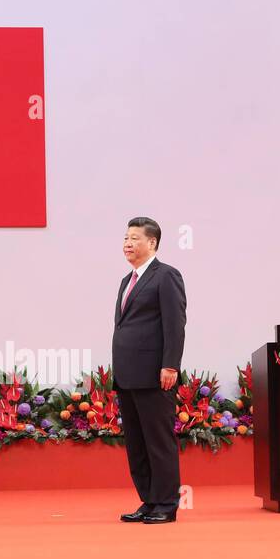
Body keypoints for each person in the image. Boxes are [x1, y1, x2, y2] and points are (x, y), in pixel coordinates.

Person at [111, 217, 187, 524]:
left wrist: (170, 364)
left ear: (151, 243)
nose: (127, 244)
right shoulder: (126, 280)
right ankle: (149, 499)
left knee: (158, 441)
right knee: (137, 443)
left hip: (155, 374)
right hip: (128, 374)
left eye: (134, 238)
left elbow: (175, 324)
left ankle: (167, 504)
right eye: (125, 238)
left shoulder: (166, 276)